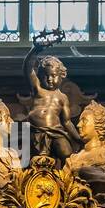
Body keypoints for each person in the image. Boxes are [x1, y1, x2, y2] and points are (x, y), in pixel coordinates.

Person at [22, 35, 80, 164]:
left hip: (56, 131)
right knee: (33, 161)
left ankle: (69, 179)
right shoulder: (38, 89)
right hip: (35, 130)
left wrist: (79, 139)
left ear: (62, 76)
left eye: (53, 76)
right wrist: (35, 50)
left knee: (66, 153)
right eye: (45, 75)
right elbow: (27, 68)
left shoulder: (62, 98)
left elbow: (67, 122)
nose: (49, 79)